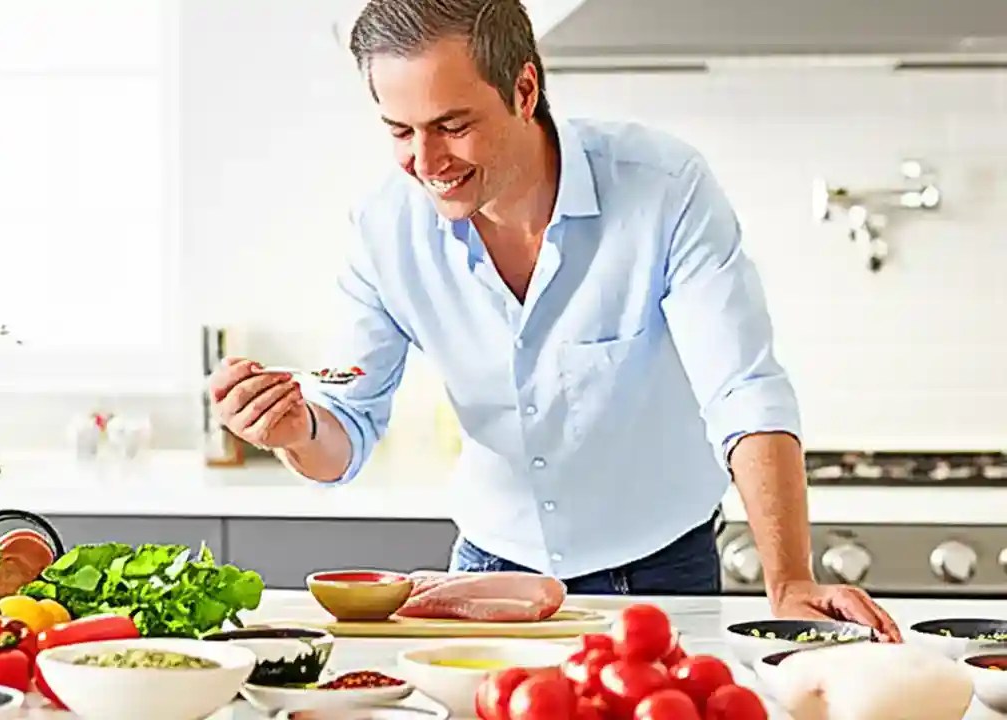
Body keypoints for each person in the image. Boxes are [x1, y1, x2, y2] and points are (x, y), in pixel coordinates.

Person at [206, 0, 901, 641]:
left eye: (453, 126)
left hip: (662, 572)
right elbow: (345, 433)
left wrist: (789, 579)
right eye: (400, 131)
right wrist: (294, 431)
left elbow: (742, 389)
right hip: (486, 573)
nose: (427, 162)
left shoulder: (663, 189)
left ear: (524, 89)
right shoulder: (386, 230)